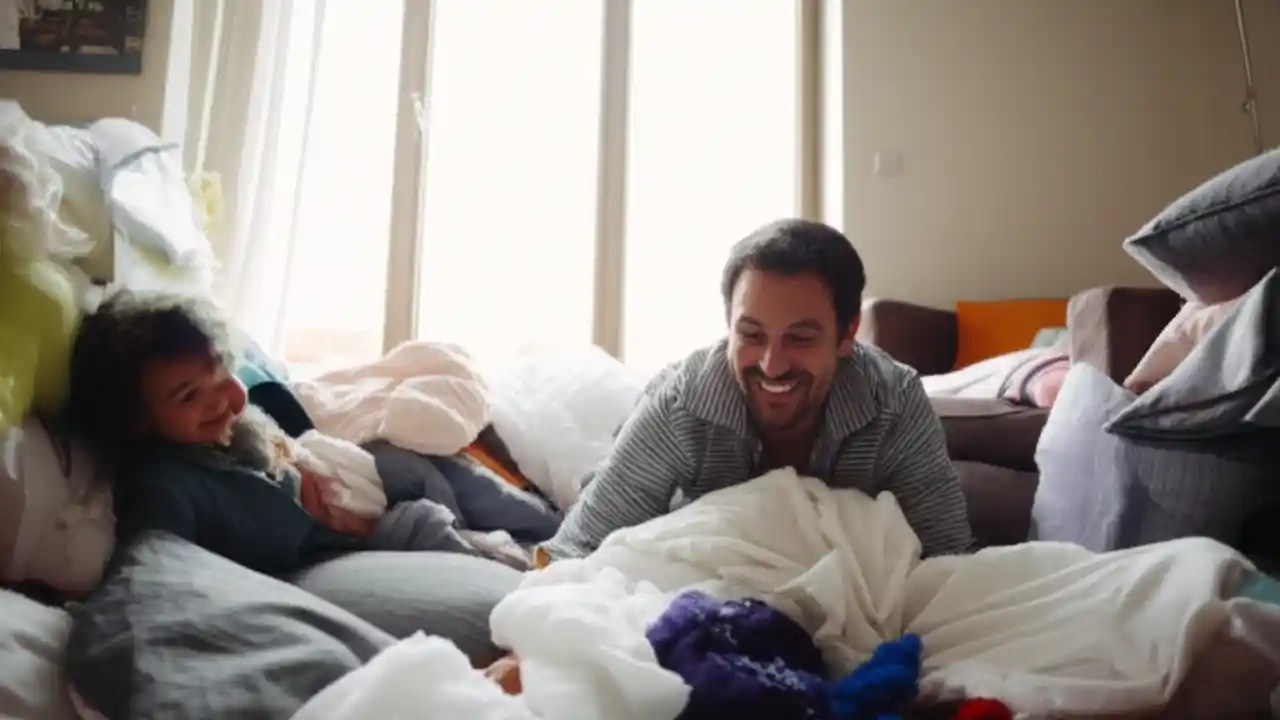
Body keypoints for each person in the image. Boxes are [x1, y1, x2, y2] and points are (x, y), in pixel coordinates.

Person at [541, 218, 974, 563]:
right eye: (751, 335)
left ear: (847, 334)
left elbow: (948, 558)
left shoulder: (894, 402)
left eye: (800, 339)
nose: (772, 364)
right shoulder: (682, 402)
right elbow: (580, 548)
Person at [66, 290, 518, 576]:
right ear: (138, 418)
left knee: (426, 467)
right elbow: (161, 569)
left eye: (220, 371)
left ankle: (549, 532)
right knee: (426, 523)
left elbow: (285, 447)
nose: (219, 398)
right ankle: (526, 571)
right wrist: (359, 527)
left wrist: (308, 466)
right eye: (188, 396)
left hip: (353, 502)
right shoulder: (165, 487)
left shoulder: (235, 427)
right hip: (329, 549)